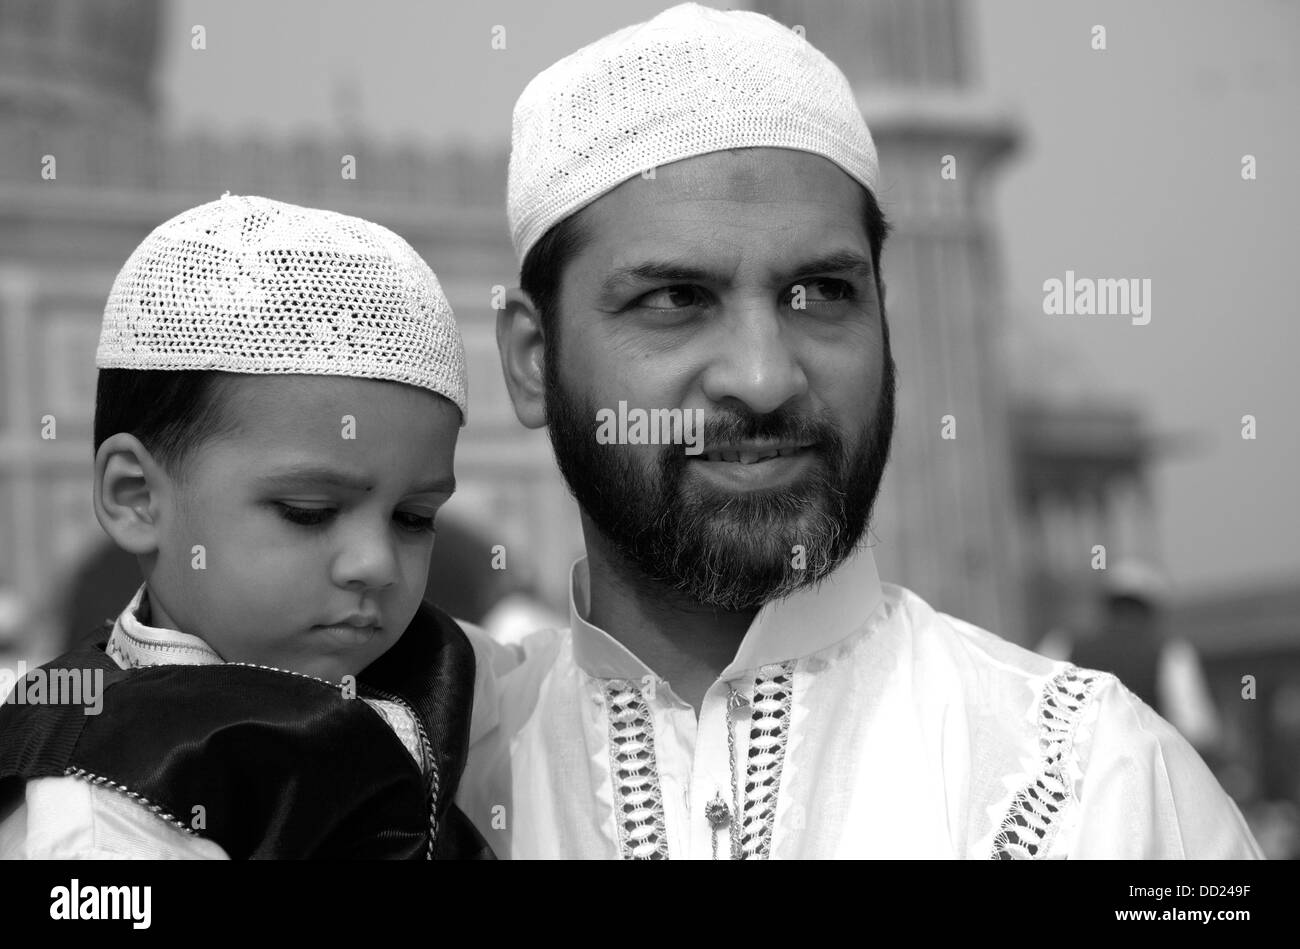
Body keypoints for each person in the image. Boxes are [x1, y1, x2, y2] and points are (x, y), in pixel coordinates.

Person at [455, 2, 1263, 859]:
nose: (765, 378)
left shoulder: (1097, 783)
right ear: (532, 361)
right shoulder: (436, 781)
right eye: (676, 300)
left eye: (823, 293)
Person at [0, 194, 491, 859]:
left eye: (414, 517)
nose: (375, 561)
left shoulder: (445, 690)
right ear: (136, 495)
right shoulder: (101, 809)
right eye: (309, 511)